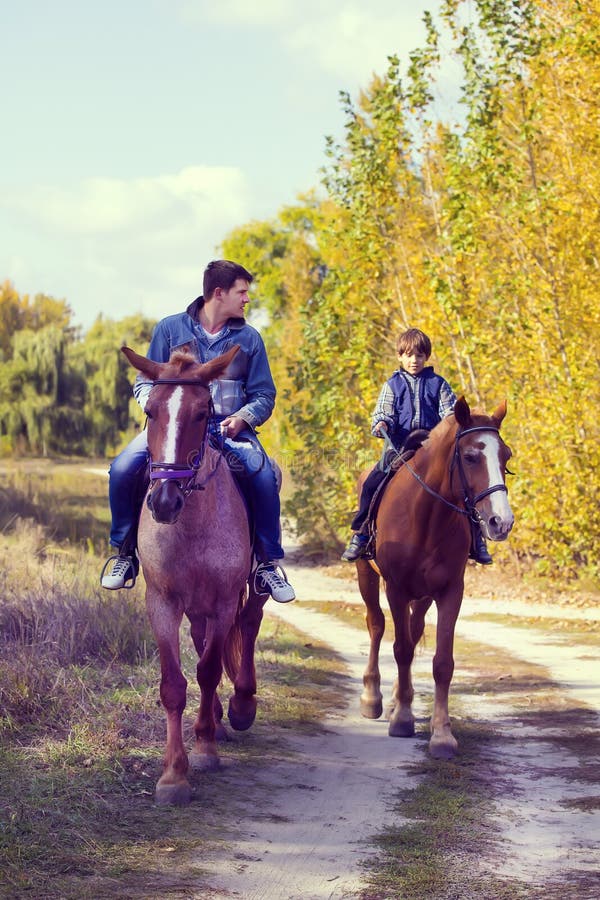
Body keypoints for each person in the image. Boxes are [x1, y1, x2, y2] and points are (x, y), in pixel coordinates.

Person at [100, 259, 296, 602]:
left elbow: (264, 393)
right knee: (121, 469)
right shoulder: (169, 329)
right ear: (218, 293)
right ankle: (124, 553)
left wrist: (243, 418)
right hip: (172, 429)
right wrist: (156, 407)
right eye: (242, 292)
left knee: (264, 475)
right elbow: (144, 380)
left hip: (228, 429)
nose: (247, 299)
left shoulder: (249, 339)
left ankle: (266, 565)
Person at [341, 327, 493, 565]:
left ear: (426, 357)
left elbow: (449, 414)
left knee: (461, 482)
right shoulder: (392, 385)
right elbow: (383, 410)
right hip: (400, 445)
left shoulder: (438, 384)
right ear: (400, 357)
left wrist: (452, 424)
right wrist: (382, 421)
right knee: (373, 481)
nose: (415, 360)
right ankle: (362, 534)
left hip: (431, 448)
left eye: (420, 355)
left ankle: (476, 538)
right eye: (409, 355)